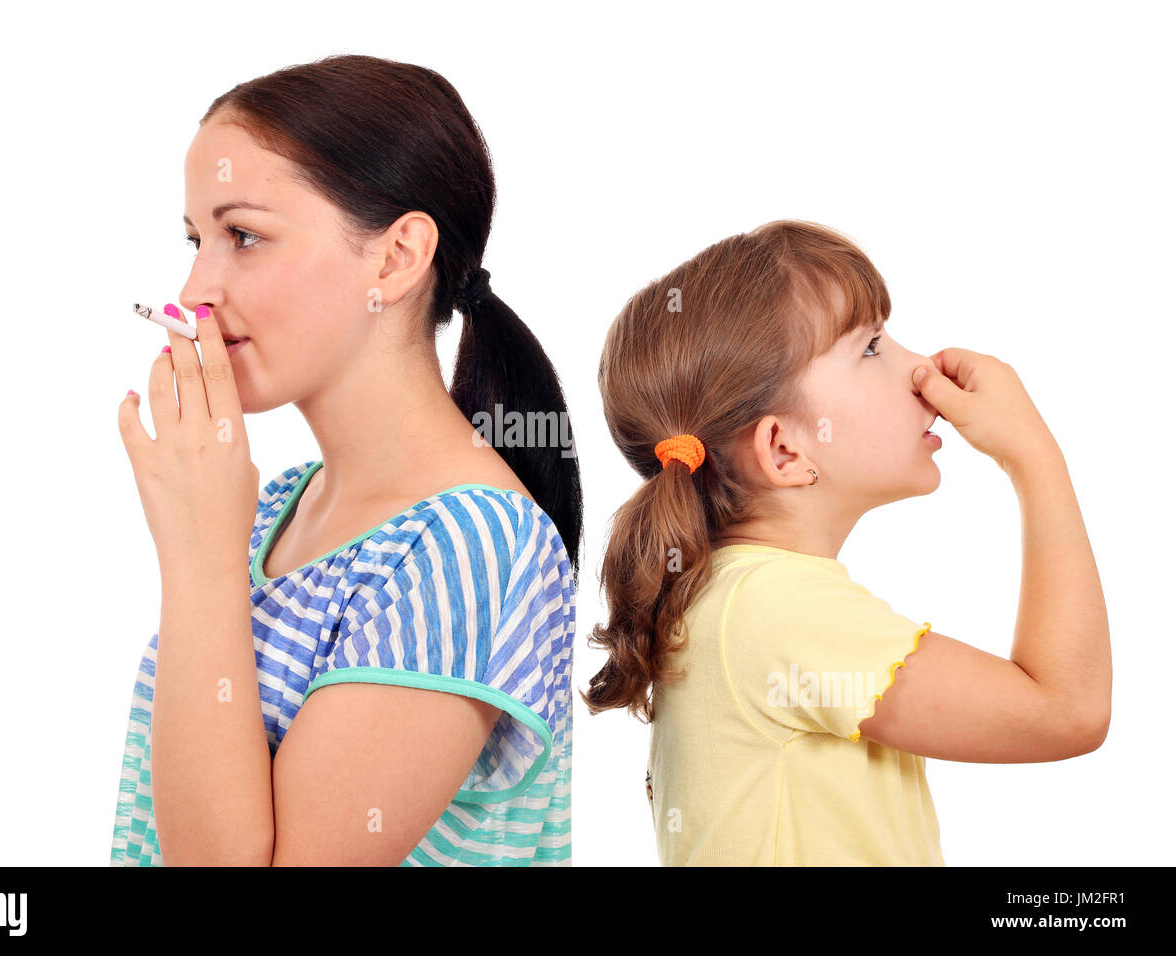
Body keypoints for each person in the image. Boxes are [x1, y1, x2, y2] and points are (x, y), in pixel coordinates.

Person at [111, 54, 581, 866]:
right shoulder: (271, 509)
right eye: (196, 239)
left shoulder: (471, 546)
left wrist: (197, 558)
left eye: (243, 236)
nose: (194, 289)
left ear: (396, 259)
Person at [582, 220, 1110, 865]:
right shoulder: (777, 609)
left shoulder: (733, 600)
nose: (920, 368)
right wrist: (1034, 455)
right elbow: (1067, 710)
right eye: (871, 348)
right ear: (784, 449)